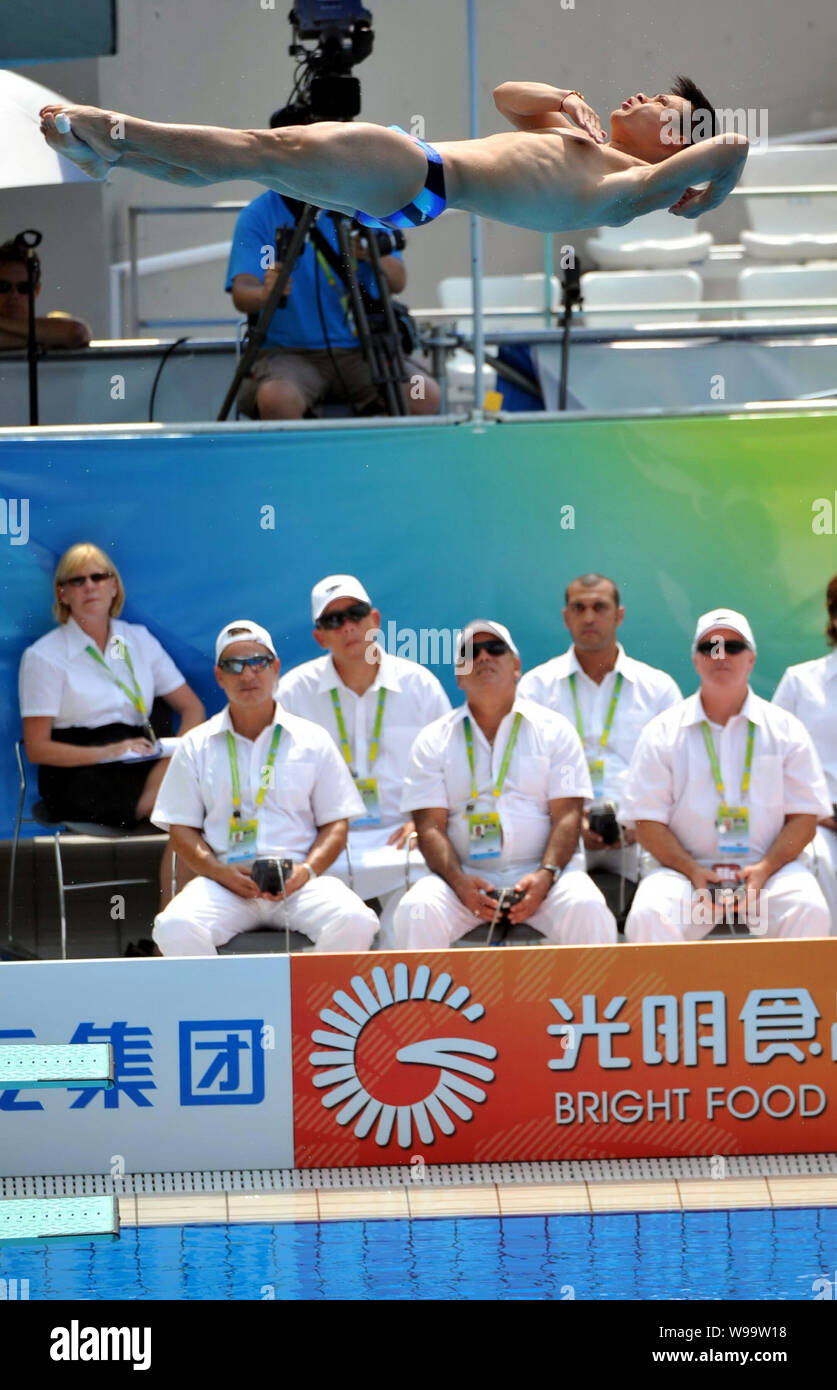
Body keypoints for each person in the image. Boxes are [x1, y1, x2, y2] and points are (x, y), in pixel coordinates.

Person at [38, 75, 748, 234]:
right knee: (253, 164)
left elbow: (732, 144)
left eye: (660, 107)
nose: (639, 99)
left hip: (415, 168)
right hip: (417, 200)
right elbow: (506, 94)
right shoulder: (583, 145)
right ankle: (111, 157)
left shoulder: (634, 186)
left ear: (674, 140)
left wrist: (708, 196)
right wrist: (563, 98)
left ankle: (113, 126)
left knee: (260, 148)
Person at [151, 620, 379, 955]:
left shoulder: (312, 740)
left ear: (275, 668)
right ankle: (222, 1006)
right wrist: (219, 872)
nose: (247, 675)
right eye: (234, 665)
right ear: (219, 675)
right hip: (226, 883)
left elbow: (336, 823)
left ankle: (312, 1003)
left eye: (258, 662)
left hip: (299, 882)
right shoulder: (195, 744)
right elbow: (181, 828)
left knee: (357, 920)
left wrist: (307, 870)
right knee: (173, 927)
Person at [393, 620, 618, 948]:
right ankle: (422, 1001)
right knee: (417, 909)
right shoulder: (432, 739)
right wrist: (460, 884)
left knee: (588, 906)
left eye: (495, 649)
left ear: (516, 667)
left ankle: (596, 1000)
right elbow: (429, 828)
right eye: (471, 653)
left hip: (546, 877)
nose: (484, 657)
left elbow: (568, 816)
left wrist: (545, 875)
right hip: (463, 877)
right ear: (458, 676)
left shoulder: (555, 730)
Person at [621, 609, 832, 942]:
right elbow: (647, 823)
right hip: (685, 874)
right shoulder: (661, 731)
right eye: (709, 647)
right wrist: (693, 871)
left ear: (751, 659)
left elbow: (804, 817)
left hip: (768, 872)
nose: (720, 655)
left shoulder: (786, 729)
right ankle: (673, 995)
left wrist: (763, 870)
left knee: (808, 907)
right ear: (695, 660)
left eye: (732, 647)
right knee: (649, 913)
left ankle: (784, 996)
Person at [19, 542, 205, 902]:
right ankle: (170, 940)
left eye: (98, 577)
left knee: (192, 798)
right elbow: (38, 748)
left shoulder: (138, 639)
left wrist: (181, 753)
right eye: (77, 580)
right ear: (63, 594)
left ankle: (174, 934)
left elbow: (193, 708)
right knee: (190, 809)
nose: (90, 586)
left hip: (141, 761)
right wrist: (110, 751)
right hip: (79, 775)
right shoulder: (44, 655)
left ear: (114, 586)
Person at [277, 574, 451, 945]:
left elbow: (451, 767)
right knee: (330, 921)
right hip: (322, 840)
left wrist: (429, 821)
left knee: (419, 908)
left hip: (402, 836)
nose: (348, 627)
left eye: (355, 614)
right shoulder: (293, 692)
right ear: (319, 636)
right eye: (333, 621)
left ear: (375, 619)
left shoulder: (419, 685)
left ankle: (401, 996)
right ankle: (331, 999)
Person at [518, 573, 682, 909]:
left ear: (619, 615)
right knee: (563, 903)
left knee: (664, 905)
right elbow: (522, 775)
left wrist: (644, 824)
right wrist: (570, 823)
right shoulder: (536, 688)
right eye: (579, 608)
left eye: (599, 607)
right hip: (561, 832)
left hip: (640, 834)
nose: (589, 617)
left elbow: (683, 770)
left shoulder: (657, 688)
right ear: (566, 617)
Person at [226, 182, 440, 419]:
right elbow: (242, 292)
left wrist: (372, 254)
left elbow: (398, 282)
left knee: (423, 394)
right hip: (288, 354)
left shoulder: (366, 206)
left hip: (362, 350)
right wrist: (265, 294)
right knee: (276, 398)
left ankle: (371, 451)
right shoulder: (259, 214)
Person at [771, 575, 837, 933]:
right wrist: (816, 814)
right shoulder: (800, 682)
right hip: (818, 823)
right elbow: (769, 763)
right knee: (815, 861)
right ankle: (826, 978)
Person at [0, 238, 90, 349]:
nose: (14, 295)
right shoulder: (48, 333)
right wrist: (48, 339)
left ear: (36, 291)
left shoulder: (50, 328)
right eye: (3, 286)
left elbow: (77, 332)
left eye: (24, 287)